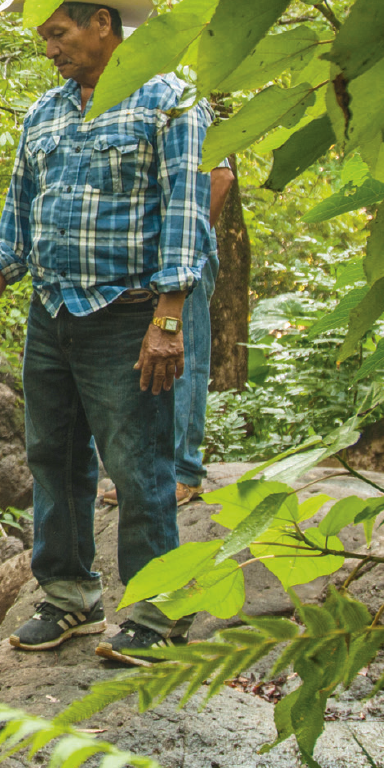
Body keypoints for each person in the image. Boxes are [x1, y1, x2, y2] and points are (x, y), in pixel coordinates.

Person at [0, 0, 218, 666]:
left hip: (125, 315)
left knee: (139, 466)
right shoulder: (45, 113)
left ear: (103, 24)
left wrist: (169, 316)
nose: (49, 48)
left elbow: (187, 212)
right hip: (52, 313)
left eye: (59, 32)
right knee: (52, 457)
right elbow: (18, 212)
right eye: (44, 36)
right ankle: (71, 596)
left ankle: (158, 611)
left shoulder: (168, 99)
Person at [102, 163, 233, 509]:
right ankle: (151, 470)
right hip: (151, 262)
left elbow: (221, 179)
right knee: (149, 360)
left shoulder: (190, 109)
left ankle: (184, 473)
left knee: (184, 361)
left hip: (183, 261)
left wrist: (192, 248)